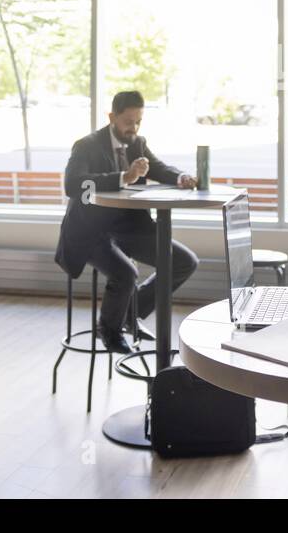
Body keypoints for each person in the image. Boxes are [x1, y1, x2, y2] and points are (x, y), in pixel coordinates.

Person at [54, 90, 199, 353]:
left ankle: (130, 314)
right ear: (112, 117)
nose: (133, 128)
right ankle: (108, 331)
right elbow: (73, 185)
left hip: (128, 227)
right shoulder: (86, 145)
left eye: (138, 122)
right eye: (128, 122)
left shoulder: (137, 142)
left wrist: (181, 178)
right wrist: (123, 177)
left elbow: (157, 167)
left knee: (184, 262)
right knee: (125, 273)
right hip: (91, 230)